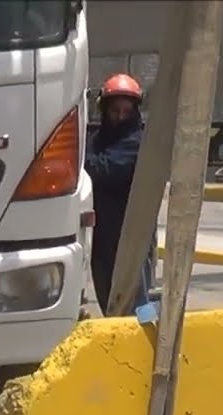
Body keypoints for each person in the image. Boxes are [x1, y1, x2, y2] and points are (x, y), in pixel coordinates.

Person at [85, 72, 156, 316]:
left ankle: (146, 347)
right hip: (102, 238)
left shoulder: (137, 143)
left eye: (126, 111)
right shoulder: (96, 141)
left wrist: (84, 162)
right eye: (115, 111)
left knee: (138, 307)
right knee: (109, 305)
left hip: (131, 239)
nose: (120, 117)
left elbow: (98, 170)